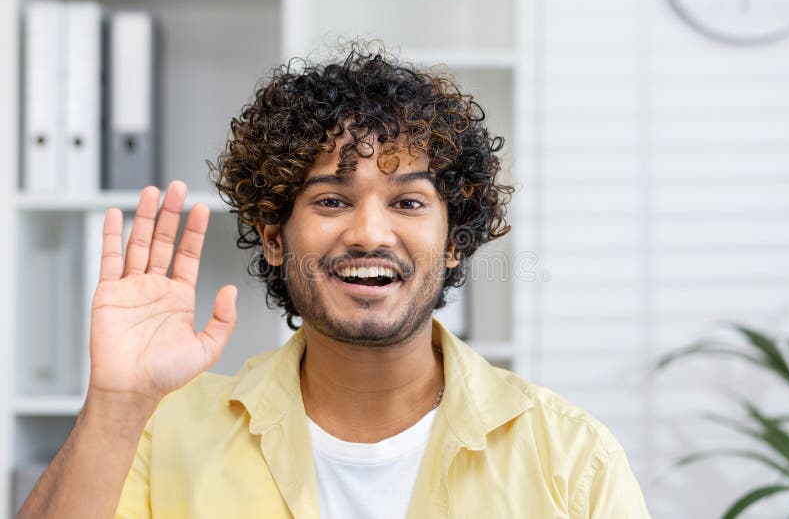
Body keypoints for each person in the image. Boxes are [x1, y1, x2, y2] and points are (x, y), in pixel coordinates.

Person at [19, 43, 651, 518]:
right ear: (273, 237)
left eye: (408, 203)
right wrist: (117, 404)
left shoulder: (571, 457)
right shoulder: (167, 432)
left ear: (455, 241)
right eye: (330, 201)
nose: (370, 234)